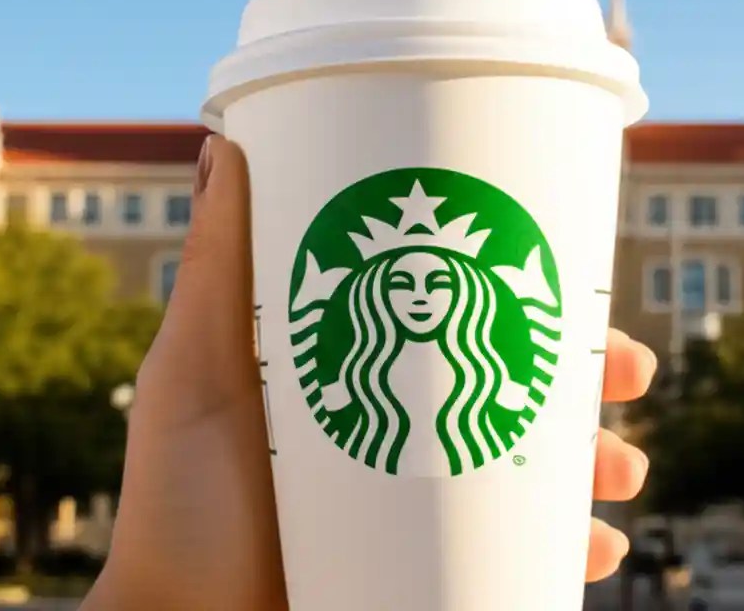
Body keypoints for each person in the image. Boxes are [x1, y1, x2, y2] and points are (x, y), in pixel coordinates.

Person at [80, 135, 658, 611]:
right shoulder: (355, 384)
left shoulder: (489, 387)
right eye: (402, 283)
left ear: (468, 294)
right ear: (375, 294)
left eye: (438, 283)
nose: (421, 297)